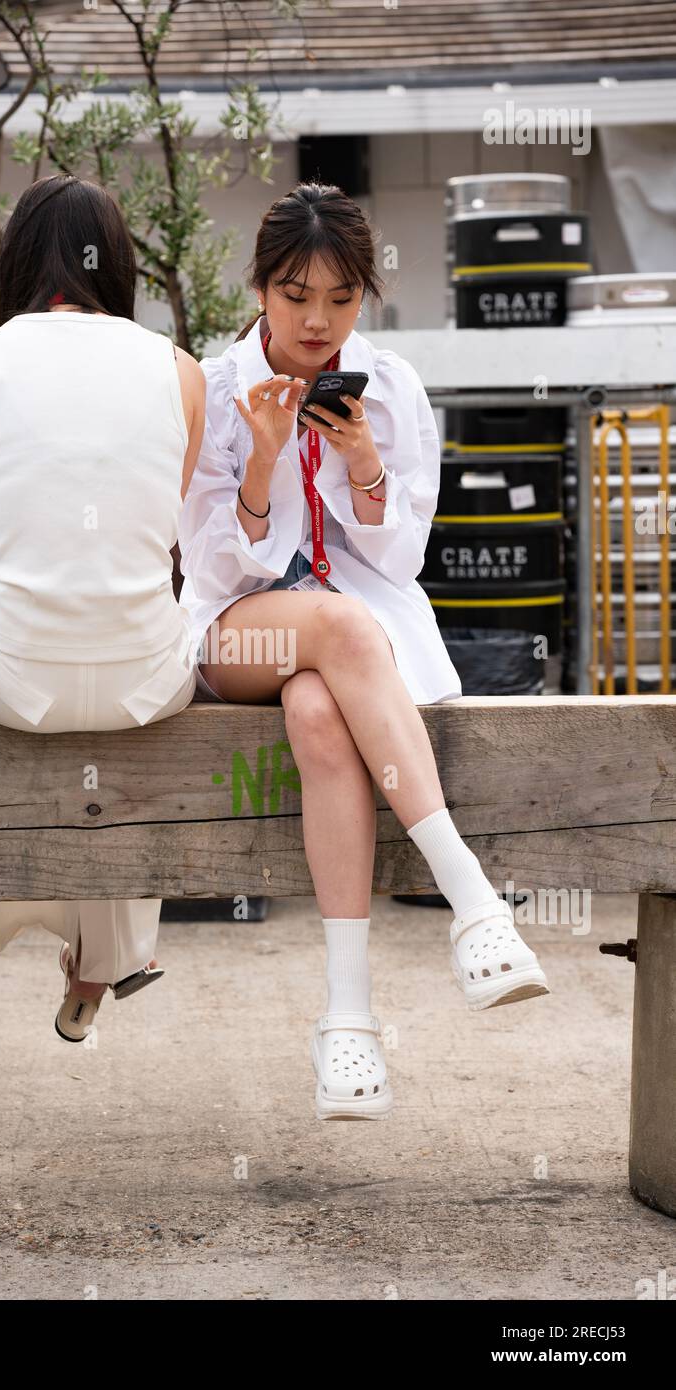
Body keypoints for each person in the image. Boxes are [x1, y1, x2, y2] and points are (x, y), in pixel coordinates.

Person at [177, 182, 550, 1123]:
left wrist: (361, 464)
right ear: (259, 287)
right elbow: (215, 561)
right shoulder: (212, 392)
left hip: (354, 631)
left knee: (316, 705)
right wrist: (263, 459)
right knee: (334, 632)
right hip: (239, 630)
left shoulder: (390, 386)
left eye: (340, 300)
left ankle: (347, 1023)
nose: (317, 320)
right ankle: (472, 898)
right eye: (296, 295)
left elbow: (399, 556)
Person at [0, 174, 206, 1043]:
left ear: (12, 262)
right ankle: (105, 957)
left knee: (51, 640)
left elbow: (3, 531)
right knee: (114, 652)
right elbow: (155, 538)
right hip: (149, 681)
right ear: (117, 266)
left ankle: (97, 959)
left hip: (16, 681)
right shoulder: (181, 370)